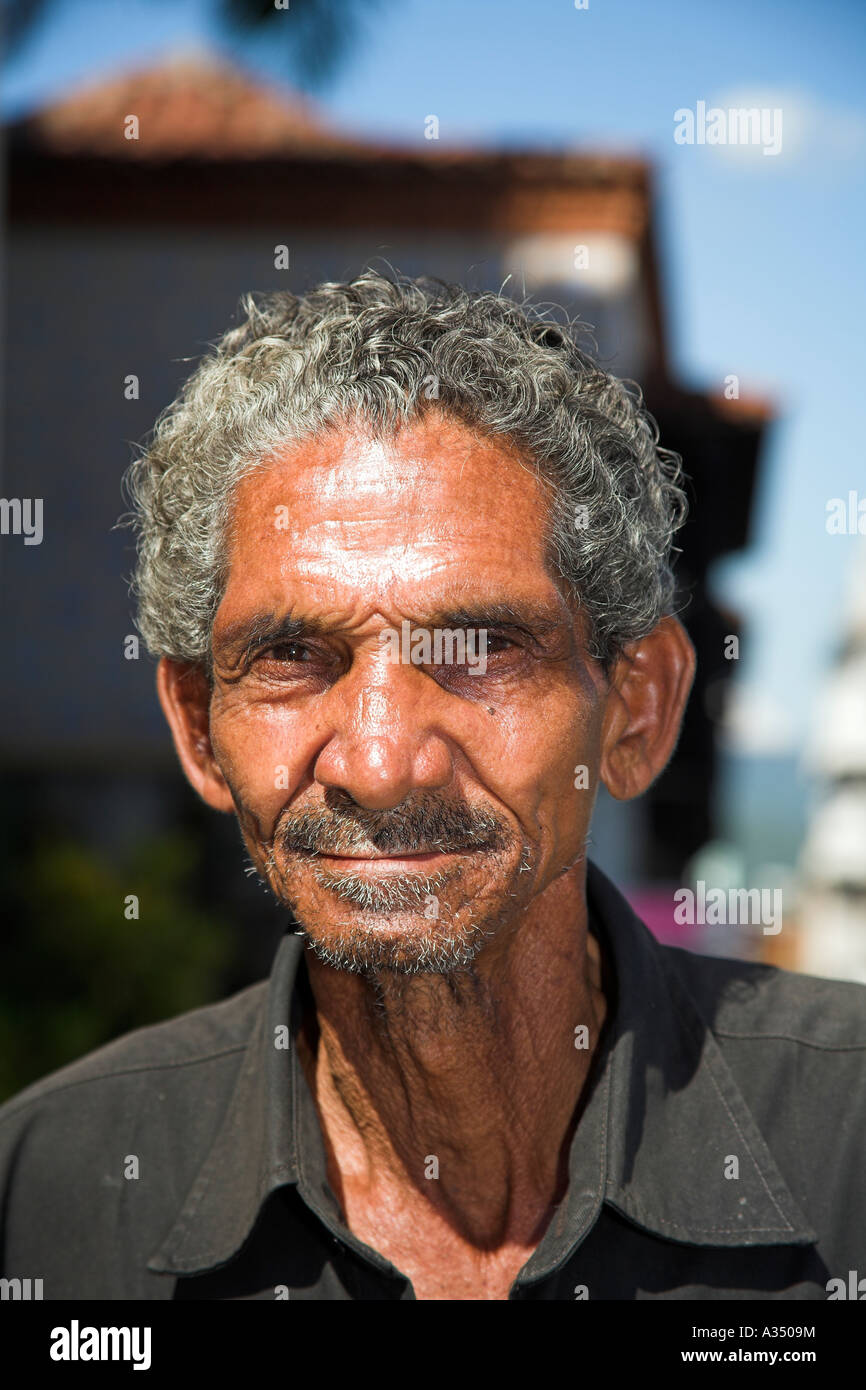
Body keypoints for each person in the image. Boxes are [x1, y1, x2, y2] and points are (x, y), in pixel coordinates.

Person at [1, 272, 863, 1301]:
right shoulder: (46, 1198)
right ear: (198, 725)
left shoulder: (842, 1143)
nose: (375, 763)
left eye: (480, 648)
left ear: (635, 708)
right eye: (288, 654)